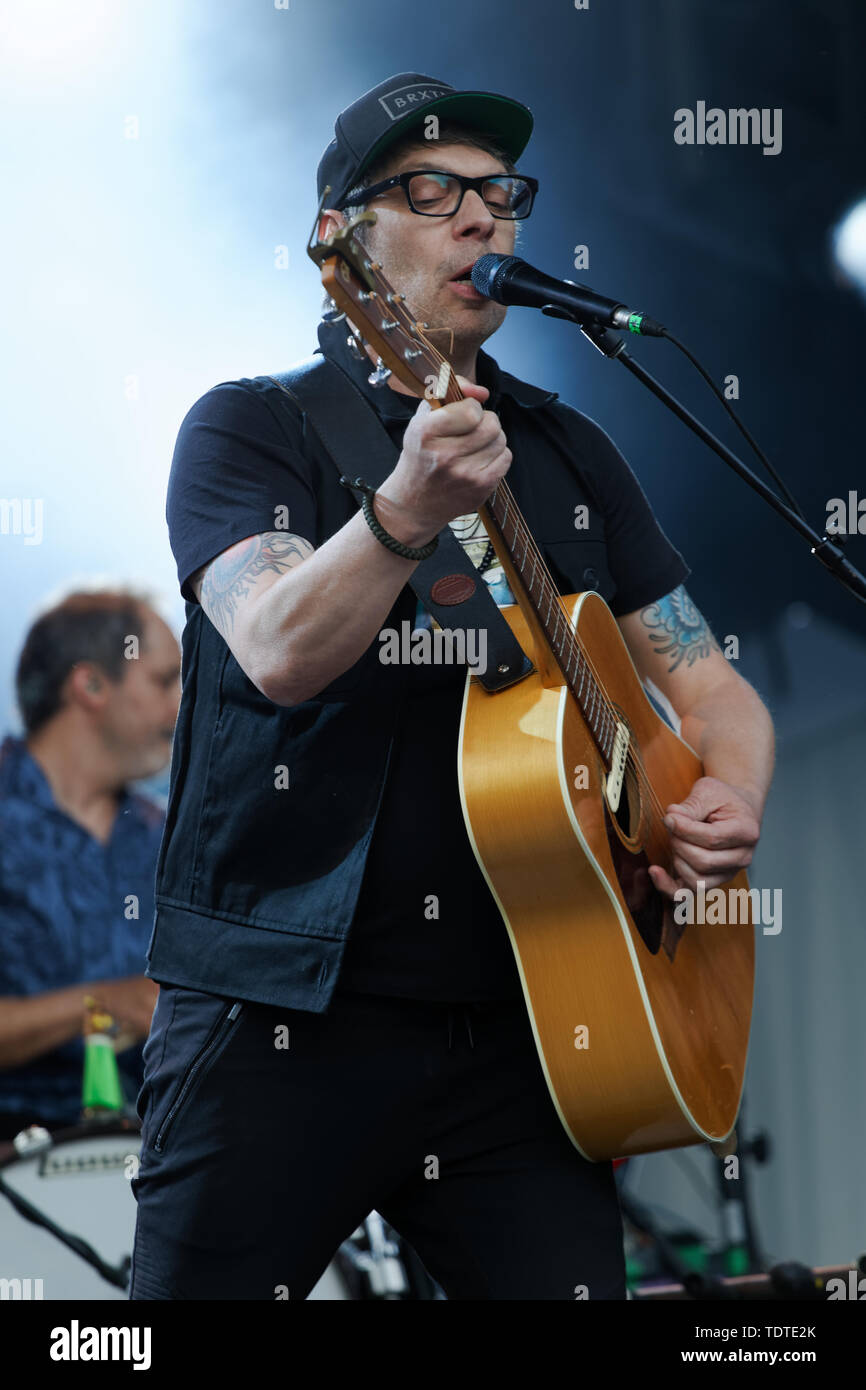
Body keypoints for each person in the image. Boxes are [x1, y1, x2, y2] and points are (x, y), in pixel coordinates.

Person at [129, 72, 774, 1301]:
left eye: (500, 193)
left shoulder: (573, 450)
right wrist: (400, 513)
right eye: (431, 189)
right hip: (276, 1017)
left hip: (527, 1022)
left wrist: (721, 799)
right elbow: (272, 647)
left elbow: (713, 691)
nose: (480, 217)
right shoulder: (250, 429)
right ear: (342, 244)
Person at [0, 590, 181, 1139]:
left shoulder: (167, 836)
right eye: (164, 680)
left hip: (150, 1165)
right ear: (91, 686)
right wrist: (103, 1004)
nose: (183, 704)